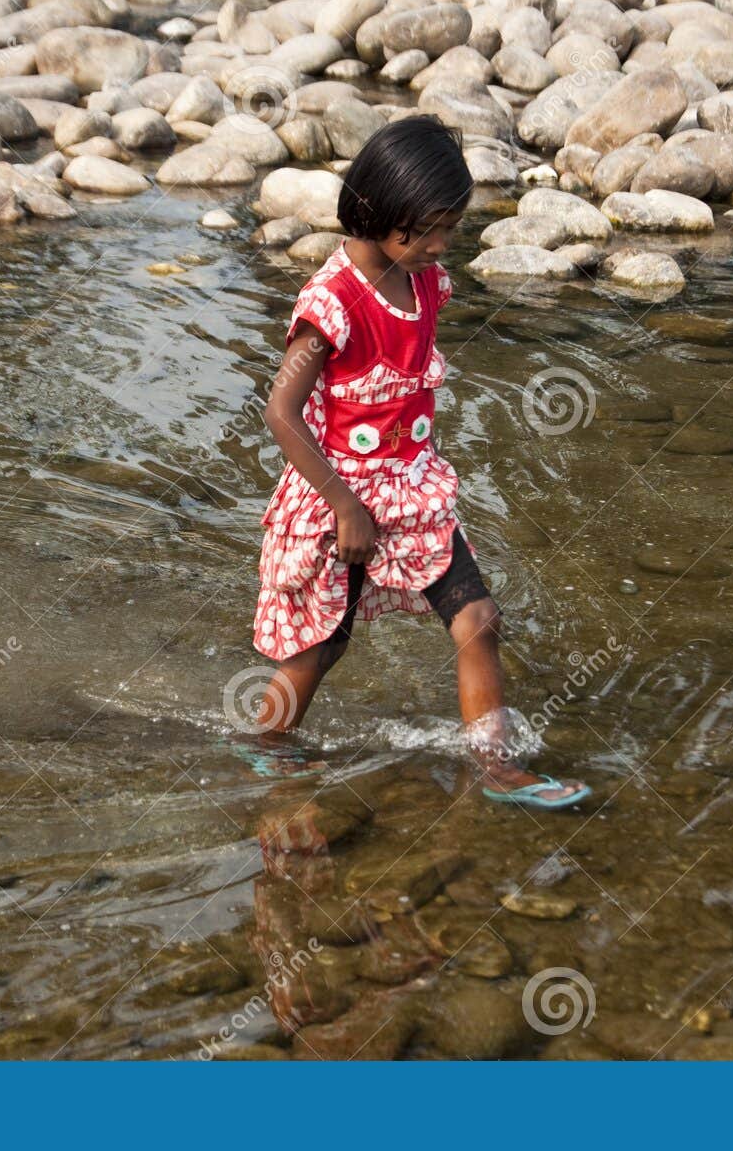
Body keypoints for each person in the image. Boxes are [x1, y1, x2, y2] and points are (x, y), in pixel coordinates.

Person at [250, 115, 591, 811]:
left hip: (413, 491)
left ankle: (494, 768)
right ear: (380, 212)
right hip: (339, 496)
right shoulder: (333, 302)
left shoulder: (423, 280)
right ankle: (266, 748)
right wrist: (345, 503)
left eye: (449, 230)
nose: (441, 246)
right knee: (321, 644)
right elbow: (281, 412)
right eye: (428, 229)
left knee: (479, 620)